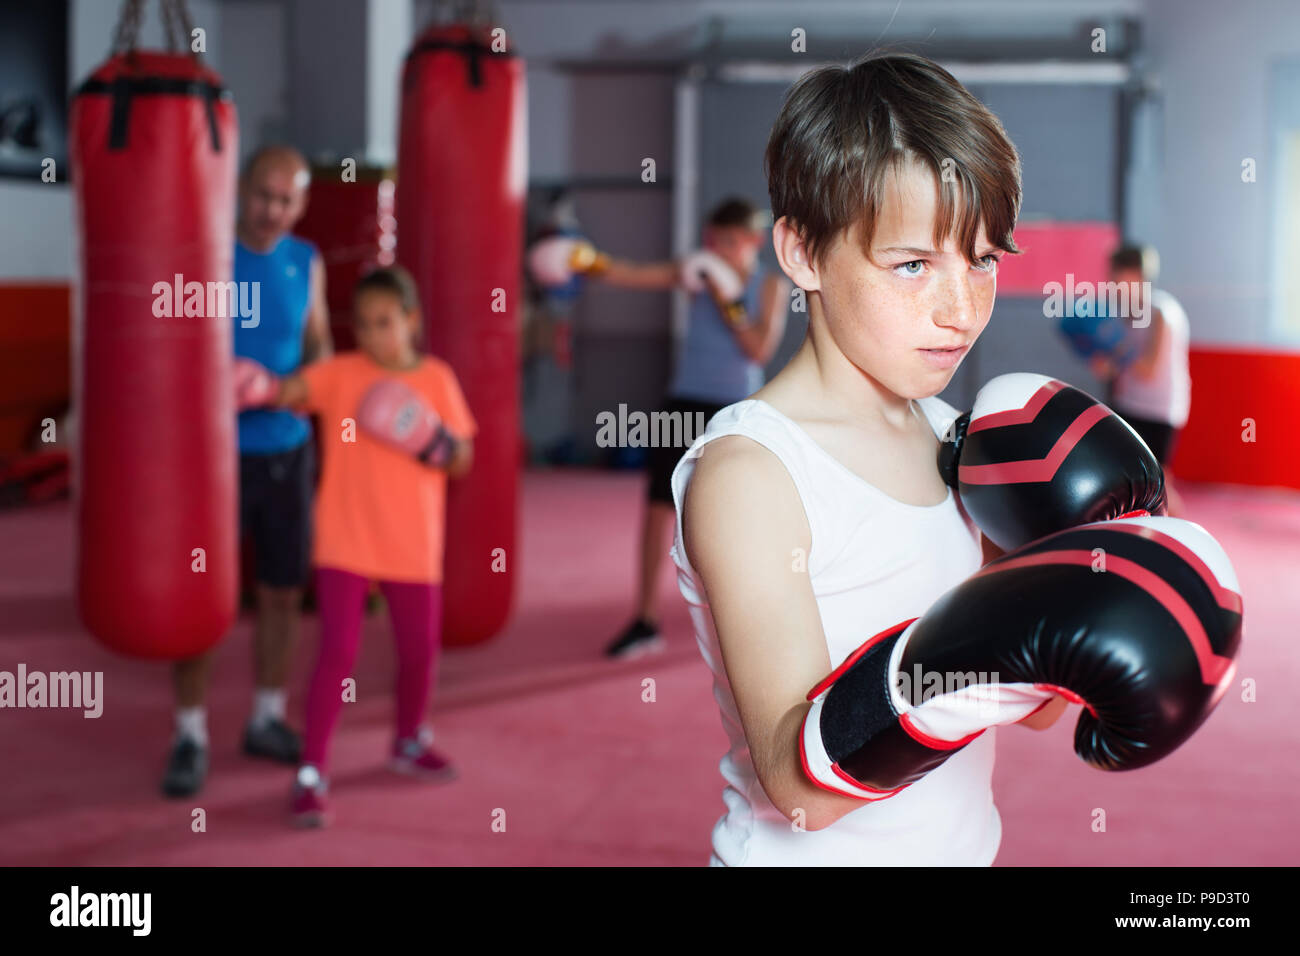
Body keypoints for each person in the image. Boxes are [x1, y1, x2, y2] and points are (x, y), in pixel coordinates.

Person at [670, 52, 1071, 866]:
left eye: (984, 259)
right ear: (803, 253)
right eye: (913, 263)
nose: (961, 309)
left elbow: (1033, 713)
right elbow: (803, 787)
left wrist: (1080, 590)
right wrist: (1008, 641)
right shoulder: (752, 475)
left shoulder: (963, 437)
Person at [238, 266, 476, 827]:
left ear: (411, 321)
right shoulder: (343, 373)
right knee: (337, 653)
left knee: (420, 650)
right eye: (364, 324)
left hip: (413, 542)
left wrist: (432, 441)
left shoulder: (438, 379)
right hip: (345, 539)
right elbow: (295, 390)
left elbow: (464, 457)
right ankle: (313, 769)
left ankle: (409, 740)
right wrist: (260, 386)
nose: (373, 335)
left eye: (385, 323)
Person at [163, 145, 331, 798]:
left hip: (287, 452)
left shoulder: (305, 261)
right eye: (263, 196)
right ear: (241, 188)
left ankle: (265, 716)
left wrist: (287, 388)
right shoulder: (205, 254)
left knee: (283, 591)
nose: (272, 211)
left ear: (302, 204)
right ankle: (189, 732)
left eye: (287, 200)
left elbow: (318, 346)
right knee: (203, 596)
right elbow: (169, 347)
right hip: (212, 456)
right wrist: (211, 385)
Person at [601, 198, 791, 657]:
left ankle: (749, 624)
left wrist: (729, 302)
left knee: (738, 519)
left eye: (728, 242)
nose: (718, 251)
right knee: (656, 509)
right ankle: (646, 618)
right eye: (713, 241)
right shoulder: (695, 275)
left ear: (750, 242)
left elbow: (758, 351)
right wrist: (588, 262)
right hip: (684, 401)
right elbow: (632, 273)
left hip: (735, 410)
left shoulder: (769, 285)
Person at [1090, 244, 1191, 516]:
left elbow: (1148, 370)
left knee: (1160, 484)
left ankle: (1186, 540)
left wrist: (1117, 354)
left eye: (1116, 275)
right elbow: (1122, 364)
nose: (1111, 281)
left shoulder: (1161, 311)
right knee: (1120, 474)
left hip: (1159, 411)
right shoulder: (1126, 312)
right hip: (1127, 403)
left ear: (1135, 274)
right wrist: (1105, 362)